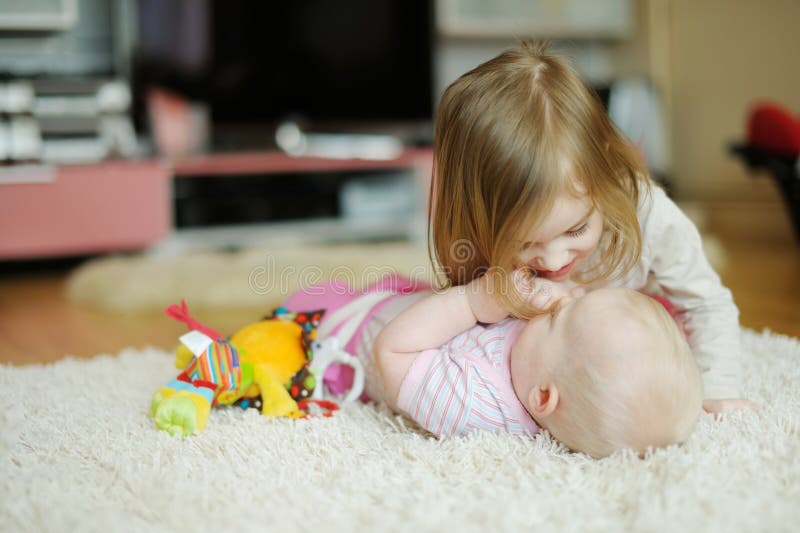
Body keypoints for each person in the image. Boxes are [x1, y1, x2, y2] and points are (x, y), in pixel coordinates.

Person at [429, 41, 752, 414]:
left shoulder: (652, 218)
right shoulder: (476, 235)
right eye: (524, 242)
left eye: (576, 230)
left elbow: (705, 305)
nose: (553, 259)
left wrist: (716, 389)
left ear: (604, 169)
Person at [282, 275, 703, 459]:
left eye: (559, 317)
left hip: (348, 331)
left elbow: (392, 351)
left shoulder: (475, 404)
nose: (561, 298)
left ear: (543, 398)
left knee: (287, 321)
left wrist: (472, 302)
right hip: (411, 295)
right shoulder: (546, 362)